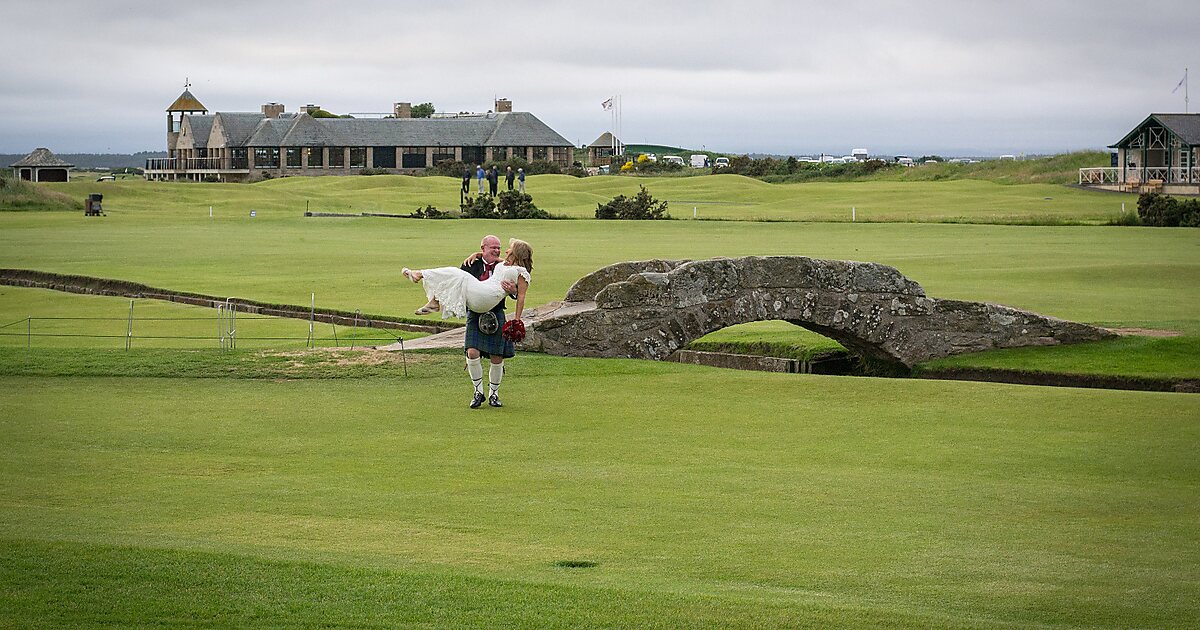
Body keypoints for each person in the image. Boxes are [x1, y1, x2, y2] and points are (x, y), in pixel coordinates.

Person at [402, 236, 529, 408]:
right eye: (493, 247)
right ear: (483, 248)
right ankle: (478, 393)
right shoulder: (475, 263)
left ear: (514, 253)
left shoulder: (516, 269)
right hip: (476, 308)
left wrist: (516, 314)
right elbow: (455, 287)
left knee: (497, 356)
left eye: (502, 248)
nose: (500, 251)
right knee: (472, 353)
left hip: (494, 308)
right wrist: (478, 255)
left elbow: (520, 295)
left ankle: (494, 394)